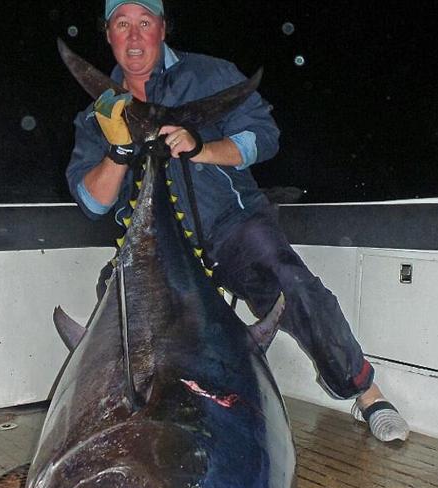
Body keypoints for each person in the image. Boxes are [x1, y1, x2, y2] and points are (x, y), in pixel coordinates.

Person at [66, 0, 409, 443]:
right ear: (108, 34)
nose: (134, 37)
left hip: (233, 226)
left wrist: (200, 147)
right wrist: (118, 149)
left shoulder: (212, 76)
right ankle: (149, 411)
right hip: (154, 247)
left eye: (144, 23)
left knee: (289, 278)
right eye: (122, 25)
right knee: (112, 300)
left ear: (163, 28)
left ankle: (366, 393)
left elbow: (264, 137)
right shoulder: (99, 112)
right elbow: (92, 204)